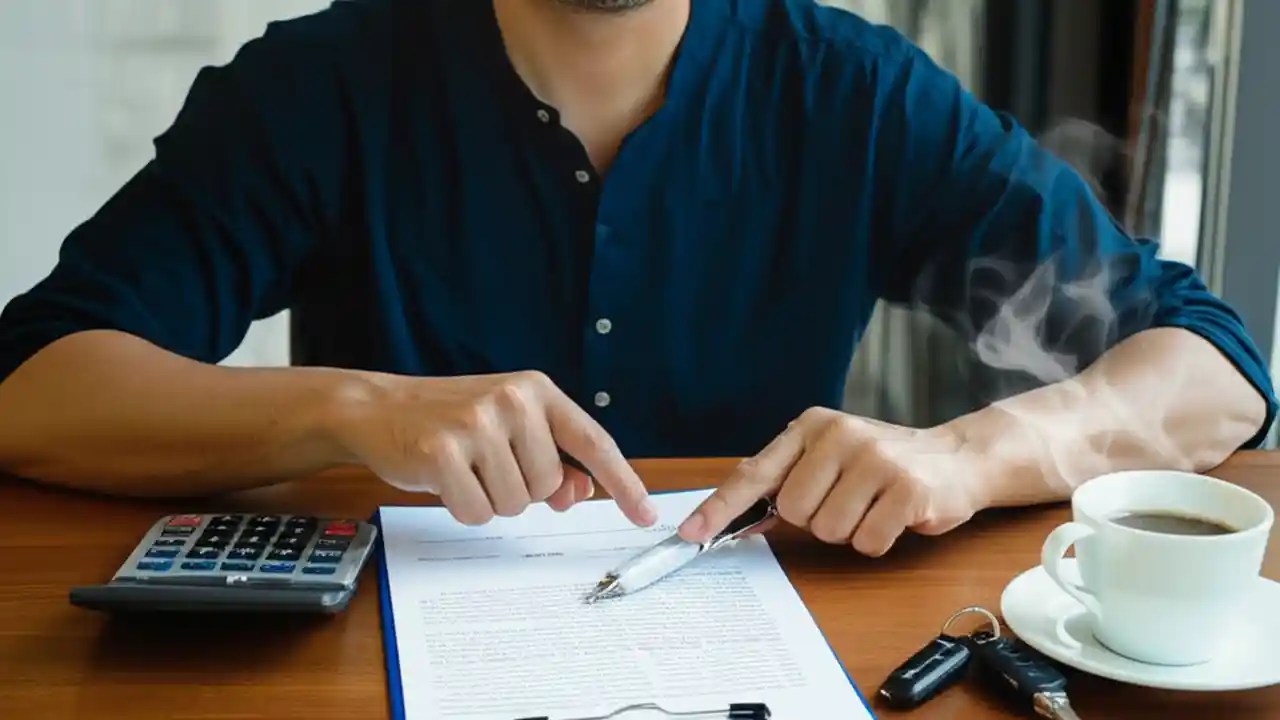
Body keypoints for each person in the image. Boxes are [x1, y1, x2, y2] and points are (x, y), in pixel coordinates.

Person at [0, 0, 1273, 557]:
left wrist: (970, 455)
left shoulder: (856, 97)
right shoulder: (313, 90)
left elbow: (1216, 369)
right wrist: (352, 409)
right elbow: (33, 385)